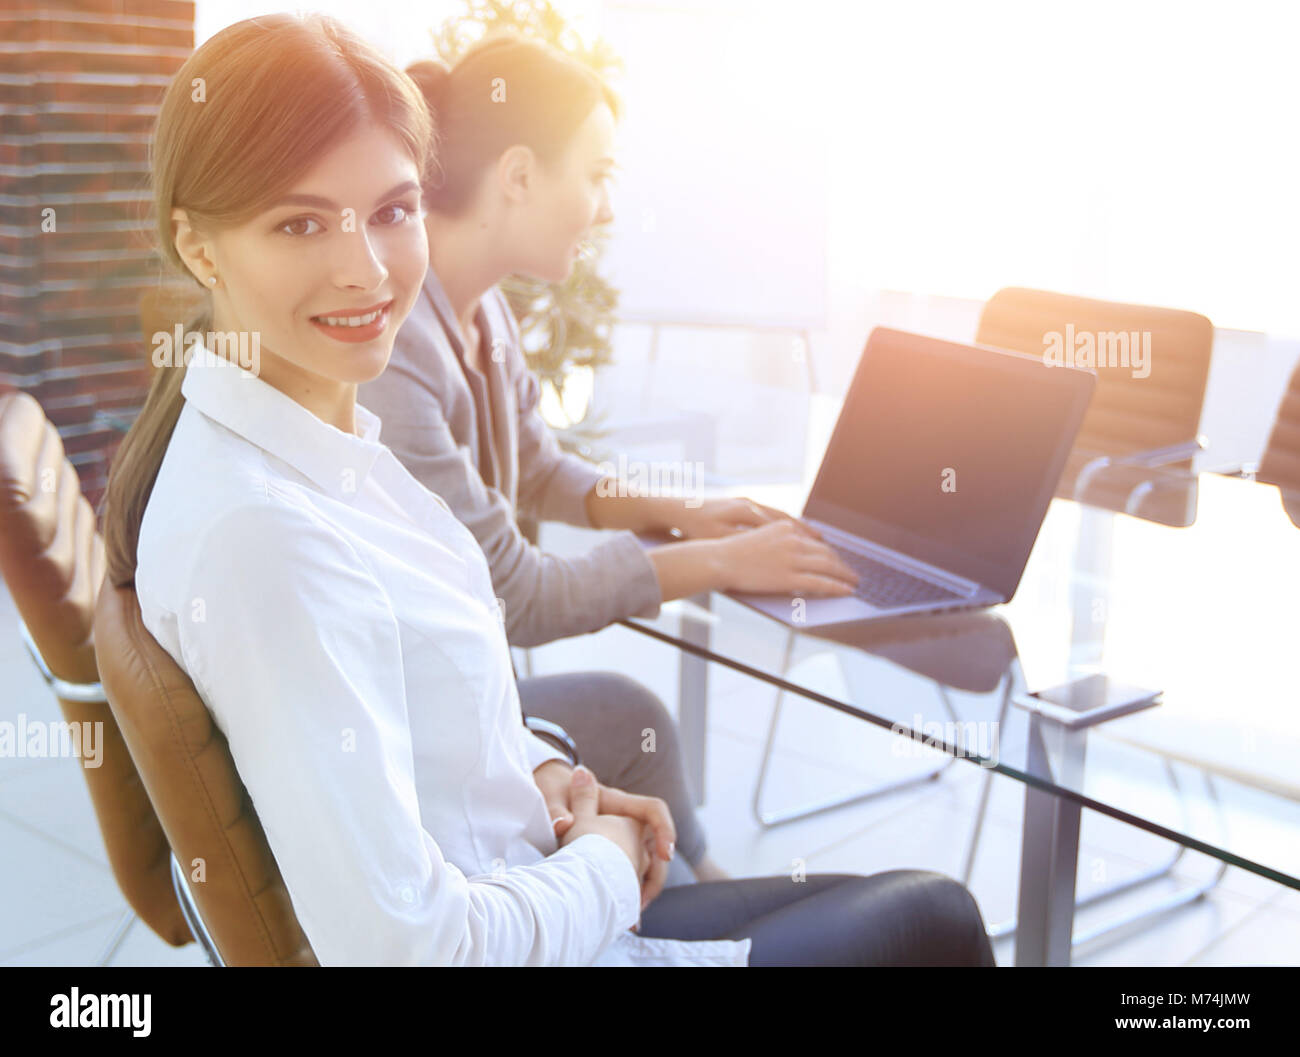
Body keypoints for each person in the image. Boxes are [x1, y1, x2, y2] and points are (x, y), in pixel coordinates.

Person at [101, 13, 995, 966]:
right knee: (930, 917)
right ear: (198, 248)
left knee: (890, 901)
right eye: (300, 222)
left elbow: (425, 695)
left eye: (394, 211)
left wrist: (543, 768)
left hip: (530, 870)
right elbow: (408, 951)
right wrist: (608, 860)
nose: (364, 269)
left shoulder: (318, 436)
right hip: (534, 923)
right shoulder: (265, 536)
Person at [358, 35, 861, 885]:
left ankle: (702, 898)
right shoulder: (401, 349)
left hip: (458, 694)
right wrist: (717, 560)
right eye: (595, 176)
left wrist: (683, 509)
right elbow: (515, 593)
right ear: (518, 176)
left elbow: (546, 468)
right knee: (633, 720)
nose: (603, 207)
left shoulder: (479, 314)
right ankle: (697, 910)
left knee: (635, 719)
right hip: (416, 729)